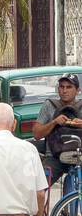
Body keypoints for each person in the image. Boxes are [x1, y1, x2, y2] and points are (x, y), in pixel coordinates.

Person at [31, 72, 82, 204]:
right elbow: (37, 134)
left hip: (79, 156)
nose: (64, 90)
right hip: (54, 157)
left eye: (69, 87)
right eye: (61, 87)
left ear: (77, 90)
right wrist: (54, 122)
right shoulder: (49, 105)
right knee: (38, 189)